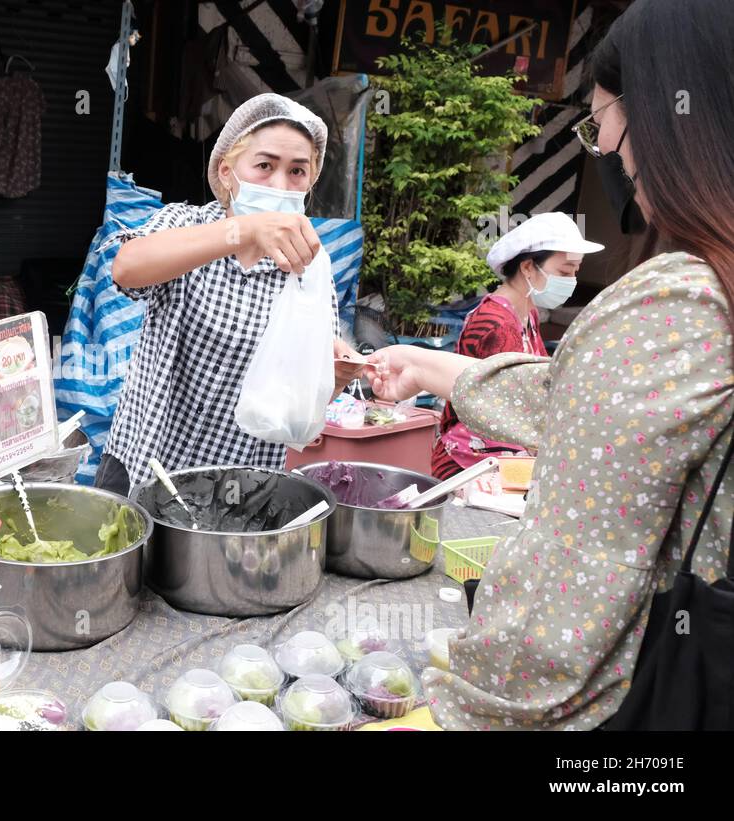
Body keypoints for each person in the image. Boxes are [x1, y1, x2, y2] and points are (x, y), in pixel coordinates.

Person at [365, 0, 734, 730]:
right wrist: (421, 363)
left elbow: (574, 579)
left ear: (659, 118)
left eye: (600, 130)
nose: (613, 160)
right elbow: (577, 397)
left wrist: (461, 714)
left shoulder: (682, 302)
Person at [95, 93, 364, 496]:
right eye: (264, 165)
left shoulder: (308, 266)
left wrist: (332, 376)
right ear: (226, 172)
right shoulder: (187, 225)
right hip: (143, 464)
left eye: (297, 171)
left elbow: (300, 399)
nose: (280, 183)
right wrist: (247, 230)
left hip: (238, 486)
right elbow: (127, 269)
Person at [431, 213, 604, 479]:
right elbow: (505, 406)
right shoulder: (496, 322)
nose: (572, 281)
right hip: (472, 459)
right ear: (527, 268)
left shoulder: (527, 312)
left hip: (505, 449)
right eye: (564, 272)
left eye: (574, 272)